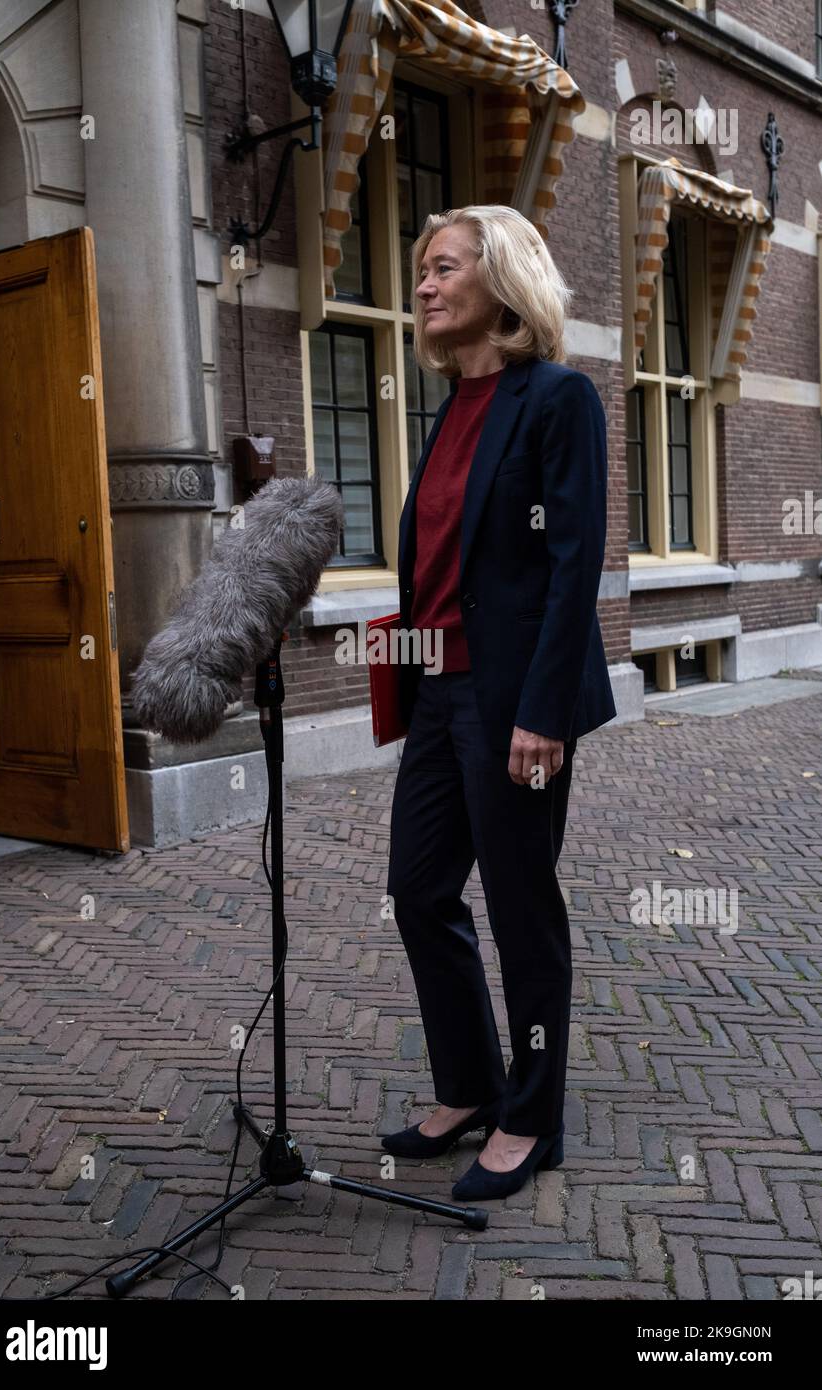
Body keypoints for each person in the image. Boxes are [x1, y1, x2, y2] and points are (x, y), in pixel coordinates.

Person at [380, 205, 616, 1201]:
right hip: (438, 689)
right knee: (418, 889)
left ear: (500, 280)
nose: (423, 286)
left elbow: (572, 567)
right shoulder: (446, 411)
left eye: (440, 268)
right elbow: (438, 560)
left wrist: (543, 712)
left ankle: (531, 1114)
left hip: (512, 695)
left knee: (522, 910)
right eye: (420, 271)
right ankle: (470, 1083)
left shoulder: (556, 399)